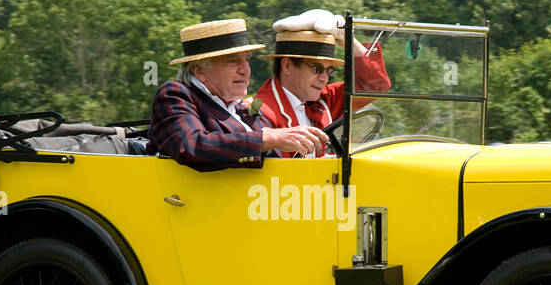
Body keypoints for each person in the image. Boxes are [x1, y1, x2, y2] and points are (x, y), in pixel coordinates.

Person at [147, 18, 327, 171]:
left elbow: (272, 158)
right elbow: (192, 146)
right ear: (199, 71)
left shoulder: (242, 108)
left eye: (246, 59)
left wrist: (317, 166)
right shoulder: (175, 95)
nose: (245, 70)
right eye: (232, 61)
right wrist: (269, 137)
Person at [253, 10, 391, 158]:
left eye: (329, 71)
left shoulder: (323, 99)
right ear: (287, 65)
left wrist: (344, 37)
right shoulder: (260, 112)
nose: (324, 78)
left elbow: (376, 85)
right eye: (316, 69)